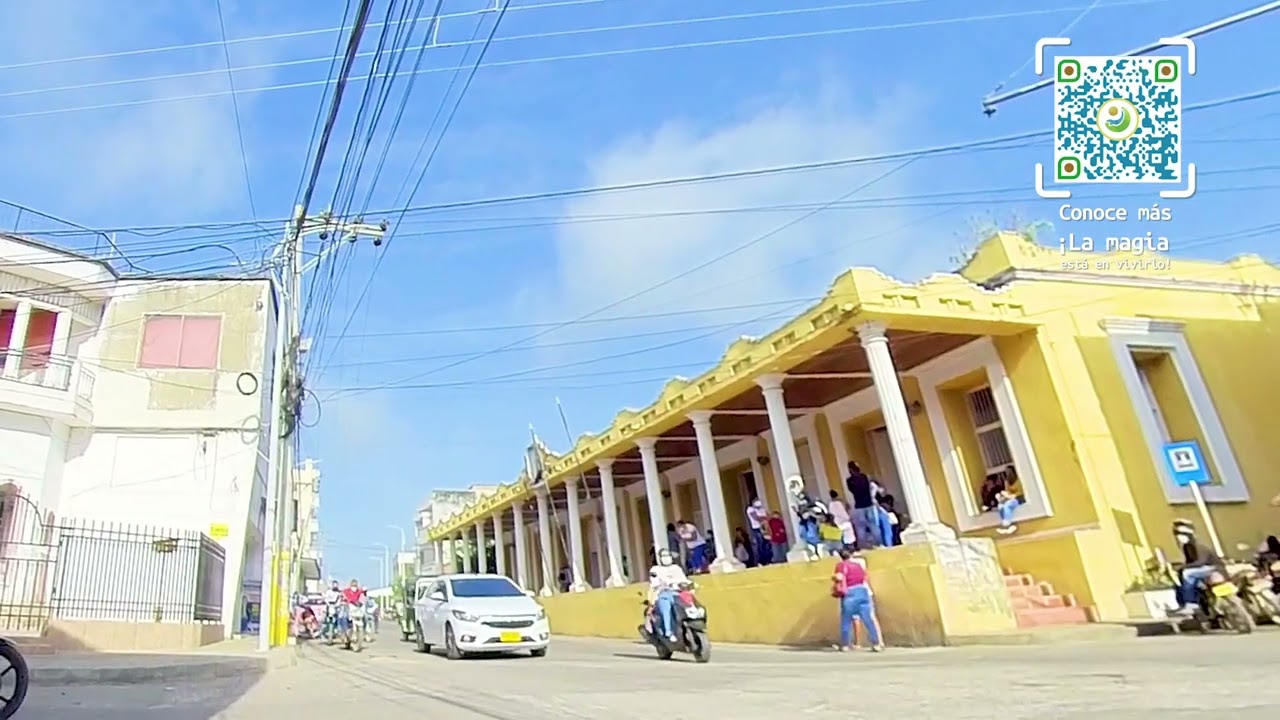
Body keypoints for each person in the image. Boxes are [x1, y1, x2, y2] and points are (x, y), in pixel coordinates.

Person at [1170, 519, 1226, 616]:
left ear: (1189, 534)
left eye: (1182, 534)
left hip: (1213, 569)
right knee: (1181, 579)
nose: (1179, 537)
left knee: (1187, 573)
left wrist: (1182, 567)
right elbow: (1190, 562)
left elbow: (1200, 562)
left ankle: (1191, 603)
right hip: (1205, 571)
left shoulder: (1197, 546)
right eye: (1177, 534)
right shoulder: (1187, 547)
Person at [831, 548, 884, 652]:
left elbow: (840, 577)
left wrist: (833, 578)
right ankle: (876, 643)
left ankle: (845, 645)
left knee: (846, 620)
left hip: (850, 592)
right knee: (868, 619)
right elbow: (864, 577)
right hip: (862, 590)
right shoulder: (858, 565)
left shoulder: (841, 565)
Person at [648, 548, 690, 642]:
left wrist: (688, 583)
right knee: (666, 607)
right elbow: (654, 582)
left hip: (678, 593)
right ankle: (668, 631)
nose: (666, 558)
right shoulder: (655, 570)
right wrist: (663, 584)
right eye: (663, 556)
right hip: (663, 594)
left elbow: (683, 579)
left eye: (667, 555)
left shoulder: (676, 568)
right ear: (659, 558)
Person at [845, 462, 882, 549]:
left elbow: (851, 490)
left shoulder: (850, 481)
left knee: (861, 527)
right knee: (873, 525)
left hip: (859, 506)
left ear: (850, 469)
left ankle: (863, 546)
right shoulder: (865, 477)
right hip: (869, 504)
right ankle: (878, 544)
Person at [980, 468, 1022, 535]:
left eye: (1009, 473)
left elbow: (1020, 494)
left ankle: (1007, 525)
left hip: (1018, 499)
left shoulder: (1019, 482)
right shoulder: (1006, 482)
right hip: (1010, 499)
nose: (1008, 475)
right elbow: (1007, 493)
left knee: (1007, 505)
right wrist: (1002, 497)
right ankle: (1006, 524)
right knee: (1001, 506)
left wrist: (1010, 496)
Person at [746, 499, 769, 566]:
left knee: (766, 543)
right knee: (760, 543)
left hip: (764, 526)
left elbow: (768, 515)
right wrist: (764, 518)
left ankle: (767, 560)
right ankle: (761, 561)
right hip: (757, 528)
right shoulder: (750, 509)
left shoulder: (761, 509)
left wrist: (763, 518)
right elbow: (756, 517)